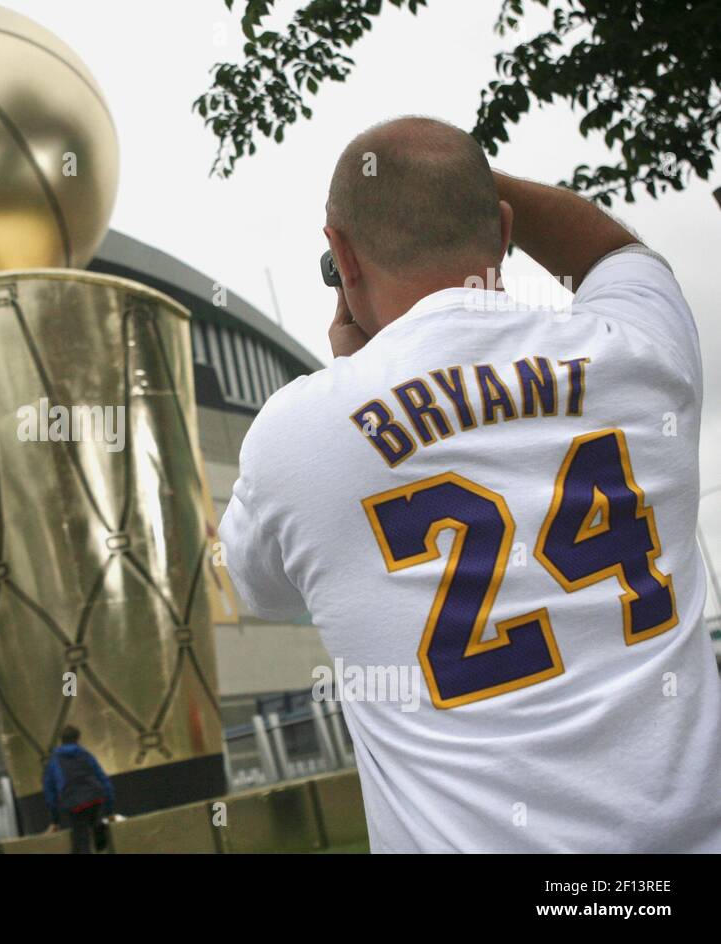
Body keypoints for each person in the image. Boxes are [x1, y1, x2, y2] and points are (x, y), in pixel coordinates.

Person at [219, 116, 721, 853]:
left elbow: (260, 590)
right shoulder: (641, 349)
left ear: (341, 254)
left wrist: (351, 380)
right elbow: (615, 253)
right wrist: (472, 184)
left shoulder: (294, 435)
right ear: (504, 229)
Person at [42, 726, 114, 854]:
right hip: (95, 799)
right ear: (78, 739)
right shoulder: (86, 755)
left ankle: (94, 834)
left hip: (74, 804)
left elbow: (50, 794)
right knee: (95, 829)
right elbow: (104, 780)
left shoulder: (54, 761)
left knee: (81, 841)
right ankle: (98, 827)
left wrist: (54, 820)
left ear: (61, 740)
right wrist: (109, 811)